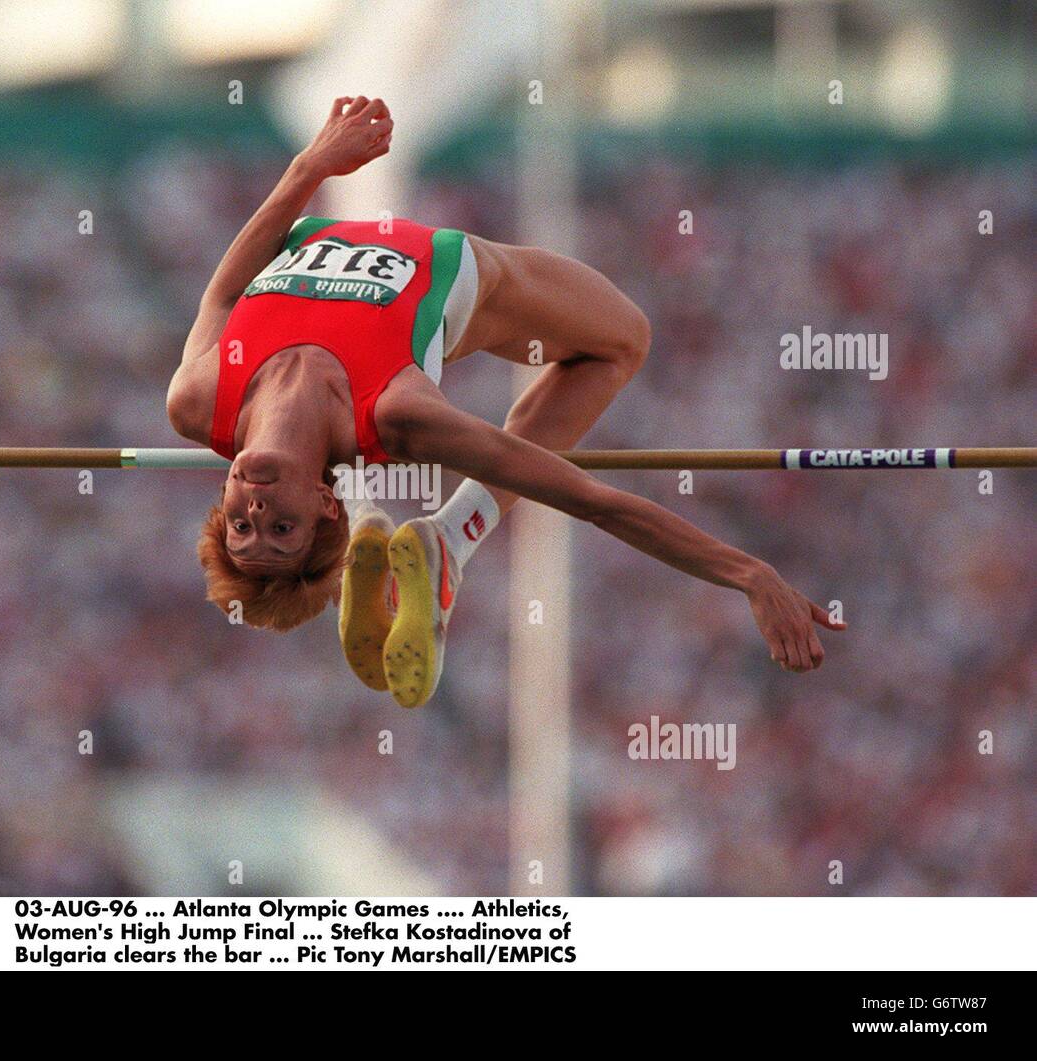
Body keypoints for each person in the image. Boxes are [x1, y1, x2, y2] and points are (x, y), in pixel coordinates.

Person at [167, 96, 844, 708]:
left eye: (240, 528)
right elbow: (591, 500)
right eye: (279, 531)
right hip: (475, 279)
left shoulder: (200, 399)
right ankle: (454, 535)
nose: (255, 514)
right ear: (321, 504)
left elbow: (222, 293)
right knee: (622, 341)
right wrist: (748, 572)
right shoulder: (394, 410)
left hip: (340, 235)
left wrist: (312, 164)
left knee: (609, 341)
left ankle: (430, 541)